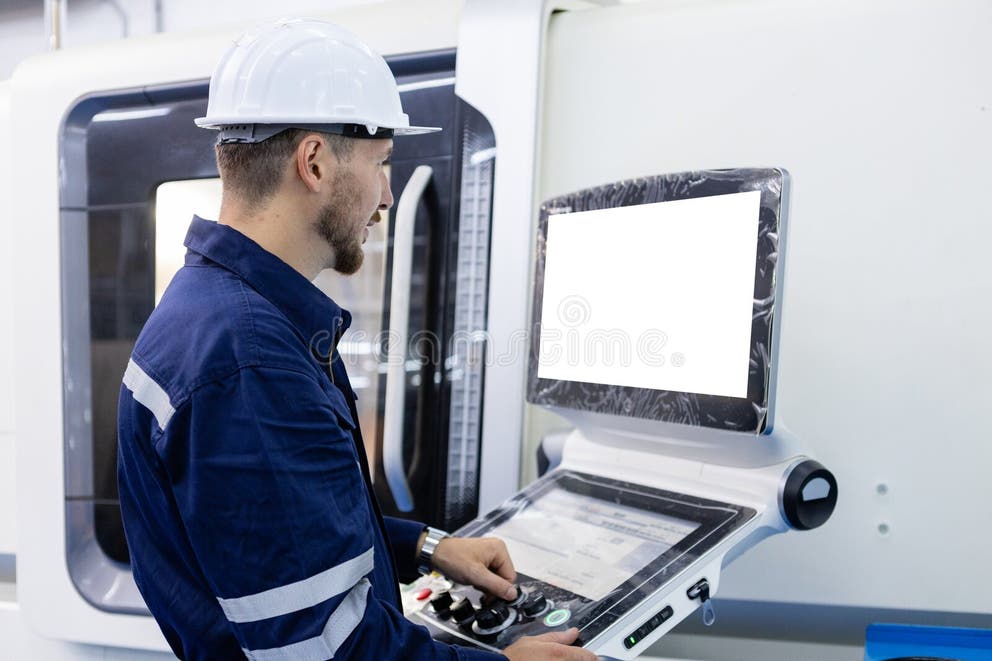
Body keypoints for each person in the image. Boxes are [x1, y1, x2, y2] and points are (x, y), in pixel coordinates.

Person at [116, 17, 596, 661]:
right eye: (382, 164)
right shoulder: (250, 360)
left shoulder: (209, 307)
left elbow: (278, 537)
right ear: (314, 162)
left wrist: (425, 547)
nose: (388, 195)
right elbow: (321, 649)